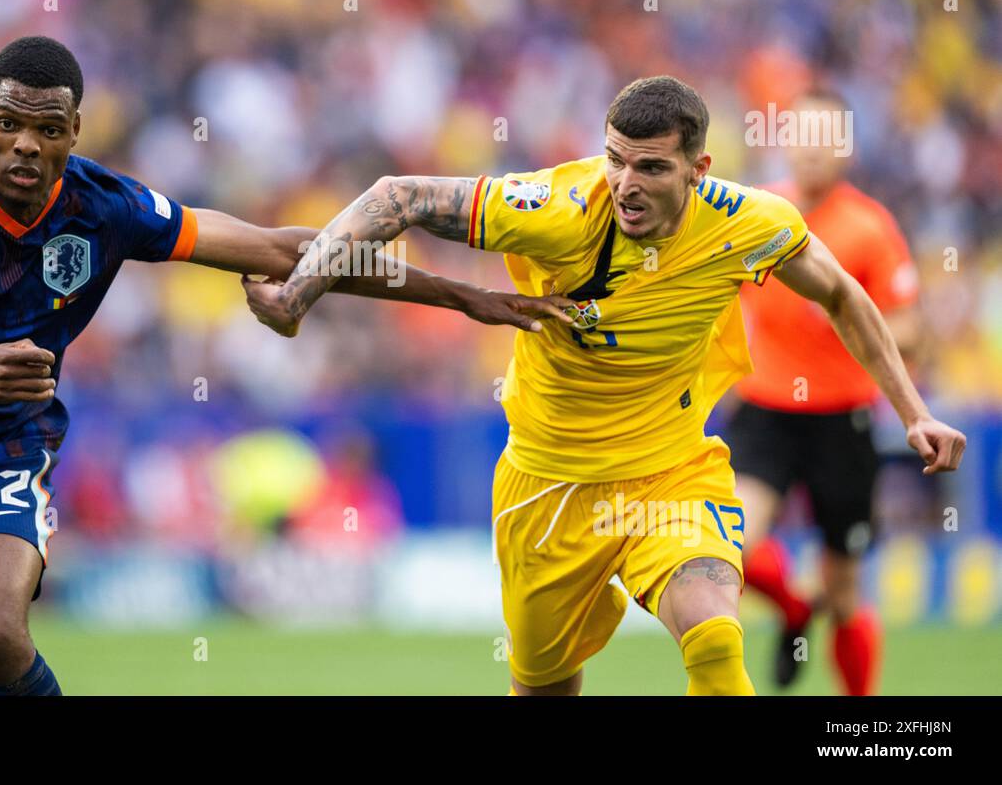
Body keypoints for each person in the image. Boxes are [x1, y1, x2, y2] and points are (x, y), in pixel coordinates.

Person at [0, 35, 567, 696]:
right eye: (7, 124)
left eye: (45, 128)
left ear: (74, 132)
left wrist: (464, 296)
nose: (24, 145)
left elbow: (283, 249)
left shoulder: (107, 208)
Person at [242, 75, 967, 696]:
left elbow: (842, 293)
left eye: (650, 167)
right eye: (616, 160)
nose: (625, 183)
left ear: (699, 168)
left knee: (716, 636)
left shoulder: (750, 224)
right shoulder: (558, 209)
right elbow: (396, 195)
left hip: (670, 472)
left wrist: (913, 414)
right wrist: (299, 294)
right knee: (545, 686)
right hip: (548, 487)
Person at [728, 89, 921, 694]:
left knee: (843, 591)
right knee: (727, 546)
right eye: (799, 137)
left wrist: (843, 316)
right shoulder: (759, 213)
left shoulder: (869, 228)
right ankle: (791, 606)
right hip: (765, 410)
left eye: (823, 139)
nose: (809, 151)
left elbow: (908, 326)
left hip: (843, 420)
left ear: (844, 149)